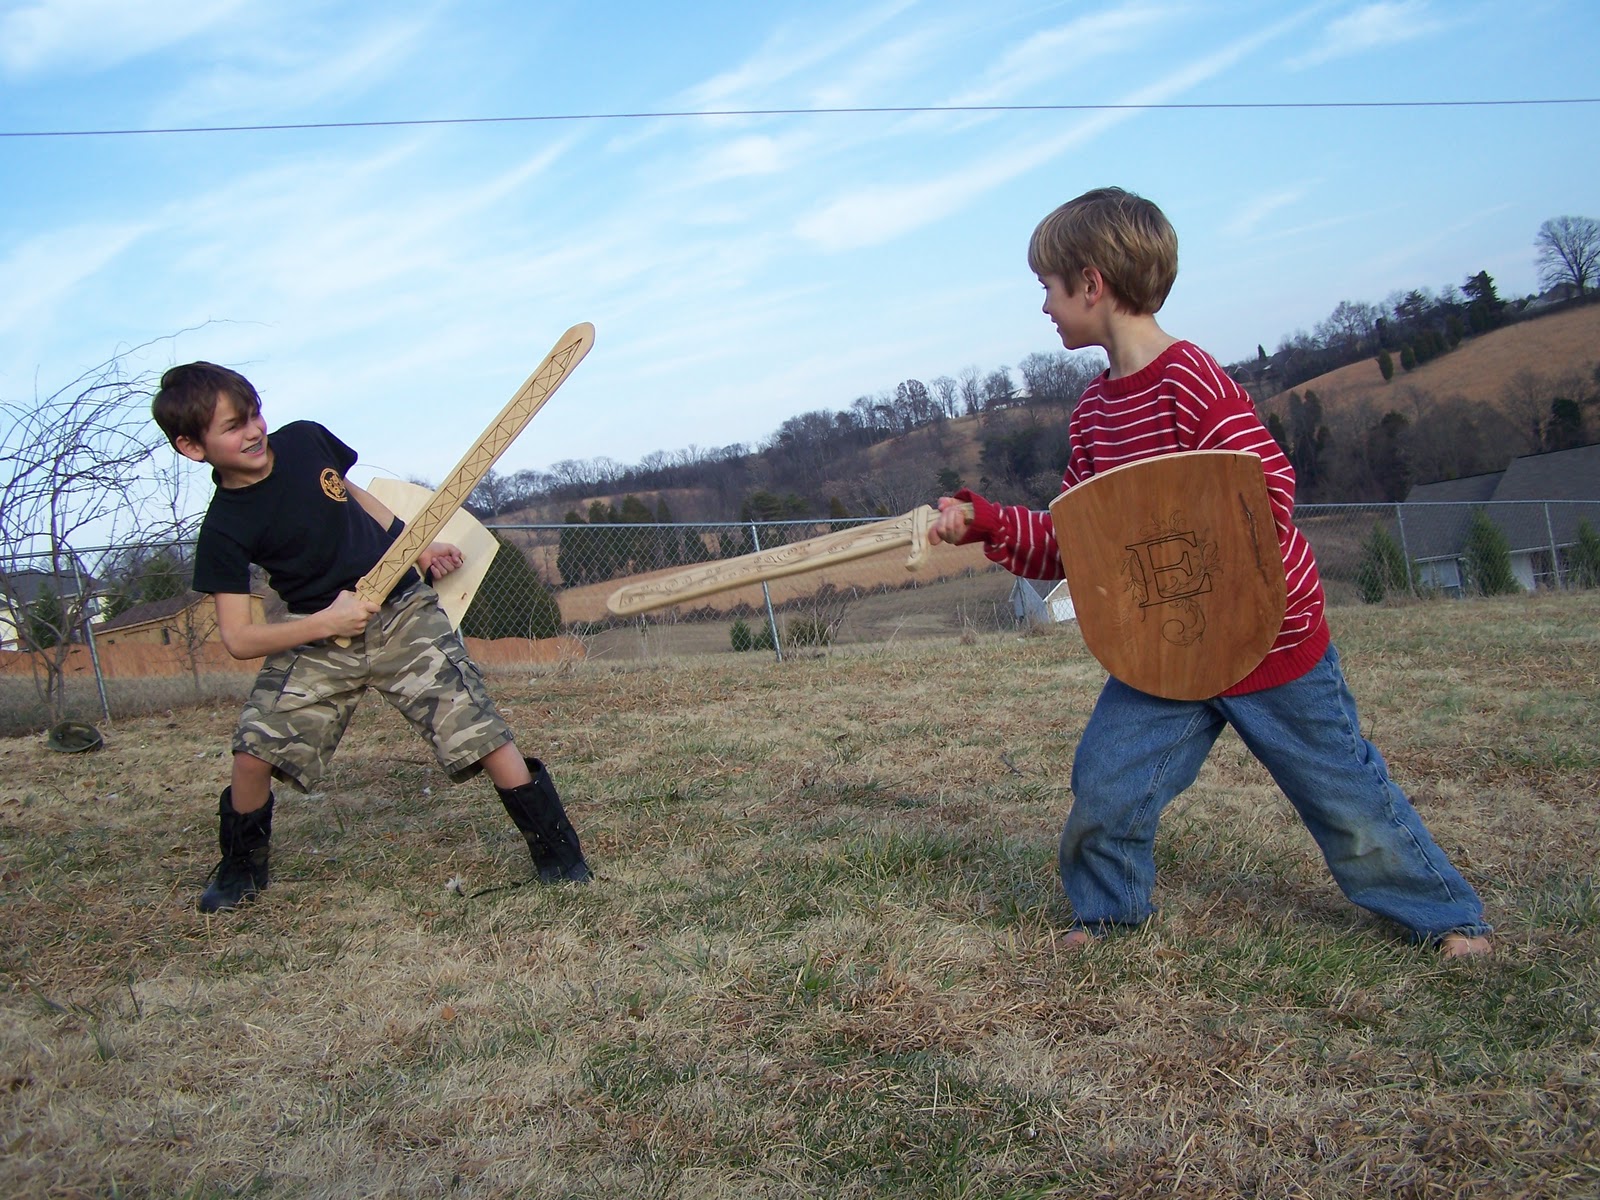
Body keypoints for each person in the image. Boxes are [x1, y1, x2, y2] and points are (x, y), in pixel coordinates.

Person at [929, 187, 1491, 957]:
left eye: (1049, 289)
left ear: (1091, 284)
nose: (1045, 307)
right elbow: (1077, 540)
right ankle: (1107, 912)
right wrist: (985, 522)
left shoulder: (1190, 377)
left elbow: (1265, 492)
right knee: (1106, 783)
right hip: (1163, 649)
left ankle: (1445, 915)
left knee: (1346, 797)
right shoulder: (1093, 414)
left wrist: (1177, 522)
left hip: (1270, 639)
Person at [152, 362, 592, 912]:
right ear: (193, 447)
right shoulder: (223, 528)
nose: (254, 430)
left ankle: (557, 852)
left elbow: (357, 495)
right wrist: (325, 624)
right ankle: (241, 868)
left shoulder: (306, 441)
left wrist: (416, 546)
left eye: (255, 413)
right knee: (252, 751)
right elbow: (239, 638)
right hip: (320, 636)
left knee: (477, 729)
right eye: (233, 426)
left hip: (403, 612)